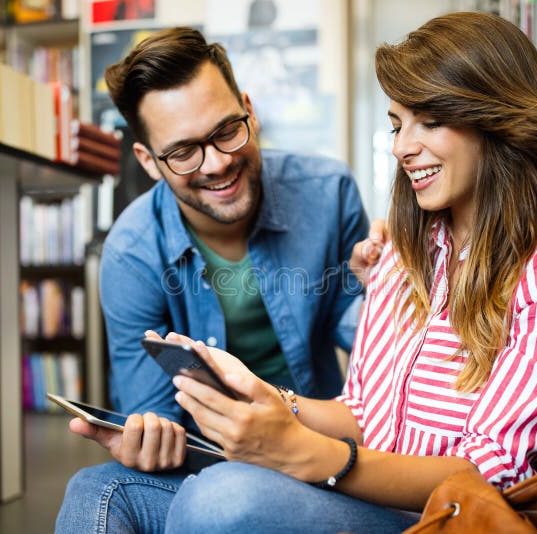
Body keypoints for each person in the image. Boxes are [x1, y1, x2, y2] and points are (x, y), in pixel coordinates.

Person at [150, 11, 537, 533]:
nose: (401, 147)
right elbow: (366, 415)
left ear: (497, 118)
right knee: (103, 487)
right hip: (378, 506)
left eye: (429, 121)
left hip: (460, 519)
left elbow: (491, 475)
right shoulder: (403, 254)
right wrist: (264, 394)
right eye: (397, 125)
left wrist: (305, 454)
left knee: (220, 498)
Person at [56, 27, 375, 532]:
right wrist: (149, 441)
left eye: (228, 129)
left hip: (320, 452)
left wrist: (394, 289)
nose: (220, 162)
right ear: (148, 161)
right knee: (95, 489)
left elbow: (371, 343)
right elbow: (154, 414)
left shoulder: (329, 192)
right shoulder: (131, 253)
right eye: (183, 152)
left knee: (224, 499)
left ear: (249, 107)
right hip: (209, 461)